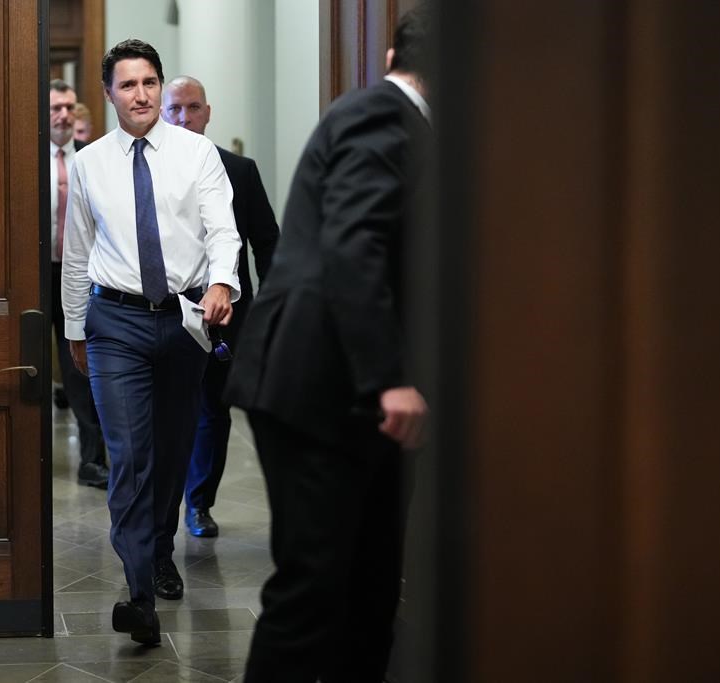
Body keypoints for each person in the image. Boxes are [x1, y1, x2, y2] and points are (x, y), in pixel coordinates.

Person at [223, 7, 432, 681]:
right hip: (322, 387)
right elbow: (353, 247)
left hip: (350, 395)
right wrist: (388, 377)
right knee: (312, 592)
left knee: (370, 591)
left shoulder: (401, 119)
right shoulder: (383, 115)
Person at [60, 39, 241, 646]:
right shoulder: (89, 164)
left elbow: (224, 230)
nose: (140, 94)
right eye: (127, 84)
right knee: (130, 454)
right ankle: (138, 590)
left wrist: (223, 282)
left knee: (170, 449)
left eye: (149, 83)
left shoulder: (198, 155)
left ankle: (160, 546)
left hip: (186, 320)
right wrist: (75, 328)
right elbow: (79, 256)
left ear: (160, 89)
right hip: (116, 323)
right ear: (108, 93)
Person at [161, 76, 279, 538]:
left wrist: (267, 310)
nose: (184, 118)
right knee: (168, 412)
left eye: (193, 108)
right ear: (162, 113)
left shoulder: (240, 172)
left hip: (226, 316)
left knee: (213, 410)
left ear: (208, 112)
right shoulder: (148, 171)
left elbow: (268, 243)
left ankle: (199, 504)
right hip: (166, 312)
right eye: (175, 109)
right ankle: (162, 504)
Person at [49, 79, 108, 489]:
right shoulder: (26, 160)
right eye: (55, 108)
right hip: (35, 275)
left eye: (69, 107)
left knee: (81, 368)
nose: (64, 115)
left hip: (82, 276)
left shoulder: (91, 161)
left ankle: (92, 460)